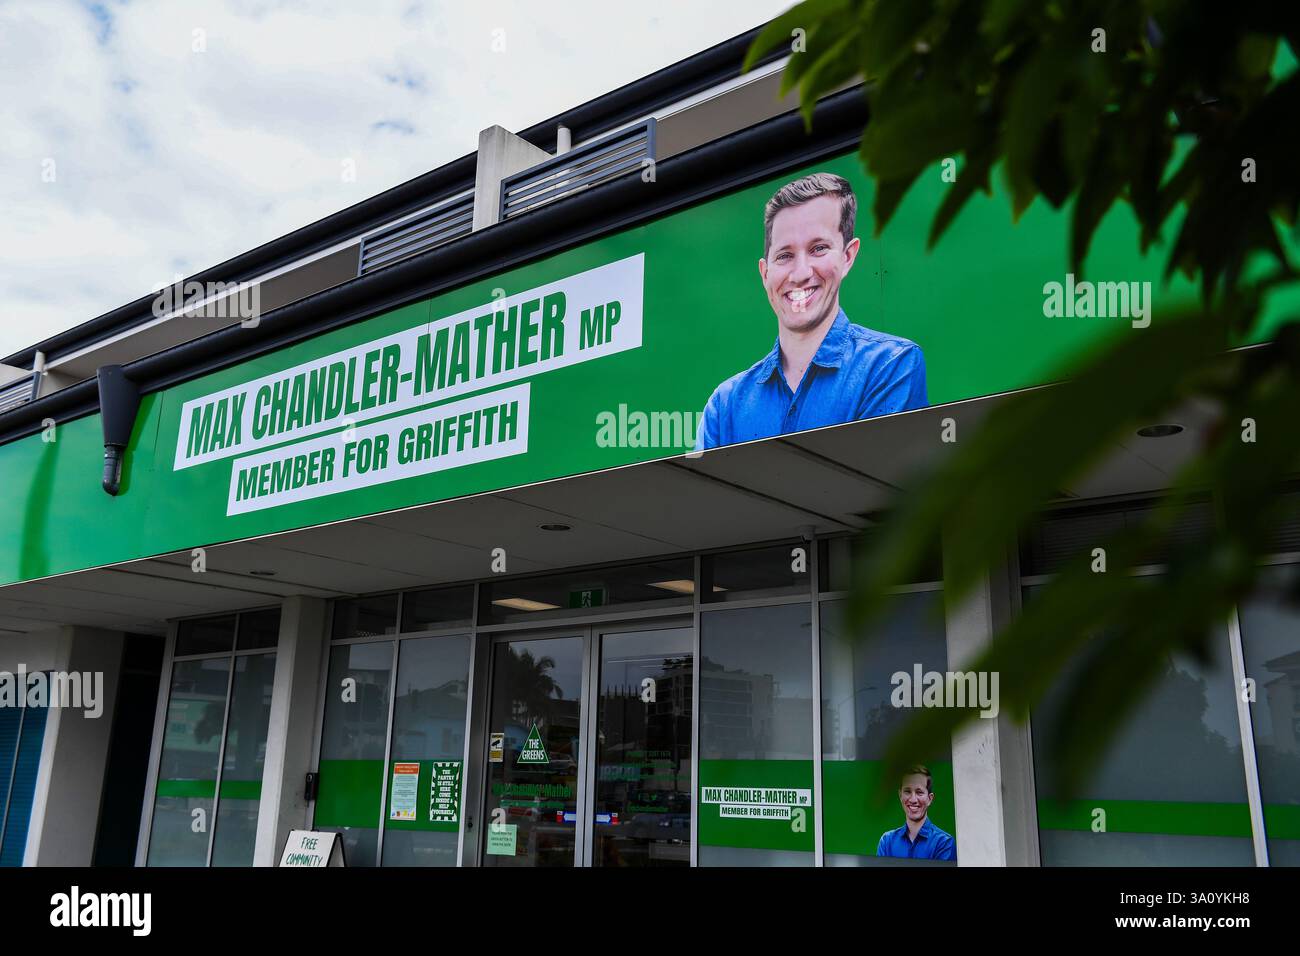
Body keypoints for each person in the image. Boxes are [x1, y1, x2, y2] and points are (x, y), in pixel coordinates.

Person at [694, 172, 927, 452]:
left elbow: (875, 491)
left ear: (848, 256)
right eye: (785, 255)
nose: (801, 273)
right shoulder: (724, 407)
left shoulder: (890, 367)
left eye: (818, 248)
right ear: (765, 272)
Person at [876, 765, 956, 861]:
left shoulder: (944, 843)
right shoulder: (887, 841)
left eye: (919, 792)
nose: (913, 799)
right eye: (907, 791)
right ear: (900, 795)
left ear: (929, 799)